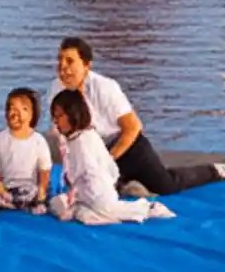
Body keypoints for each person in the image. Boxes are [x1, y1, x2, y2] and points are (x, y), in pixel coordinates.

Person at [47, 36, 225, 196]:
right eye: (60, 60)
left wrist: (107, 160)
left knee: (167, 186)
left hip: (127, 146)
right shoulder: (56, 92)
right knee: (94, 194)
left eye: (70, 61)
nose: (62, 67)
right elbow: (61, 134)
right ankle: (122, 183)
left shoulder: (105, 88)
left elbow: (133, 127)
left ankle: (216, 171)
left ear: (86, 65)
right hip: (93, 151)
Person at [47, 89, 175, 225]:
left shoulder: (85, 140)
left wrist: (75, 191)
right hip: (83, 193)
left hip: (97, 192)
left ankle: (148, 208)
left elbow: (89, 172)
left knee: (106, 209)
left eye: (59, 116)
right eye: (54, 117)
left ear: (73, 115)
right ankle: (82, 210)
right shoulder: (72, 140)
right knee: (58, 204)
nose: (55, 121)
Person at [0, 87, 52, 214]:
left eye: (22, 109)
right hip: (8, 189)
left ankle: (29, 203)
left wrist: (42, 188)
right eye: (11, 108)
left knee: (40, 194)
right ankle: (11, 202)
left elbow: (44, 170)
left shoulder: (39, 141)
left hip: (30, 188)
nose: (15, 113)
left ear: (33, 114)